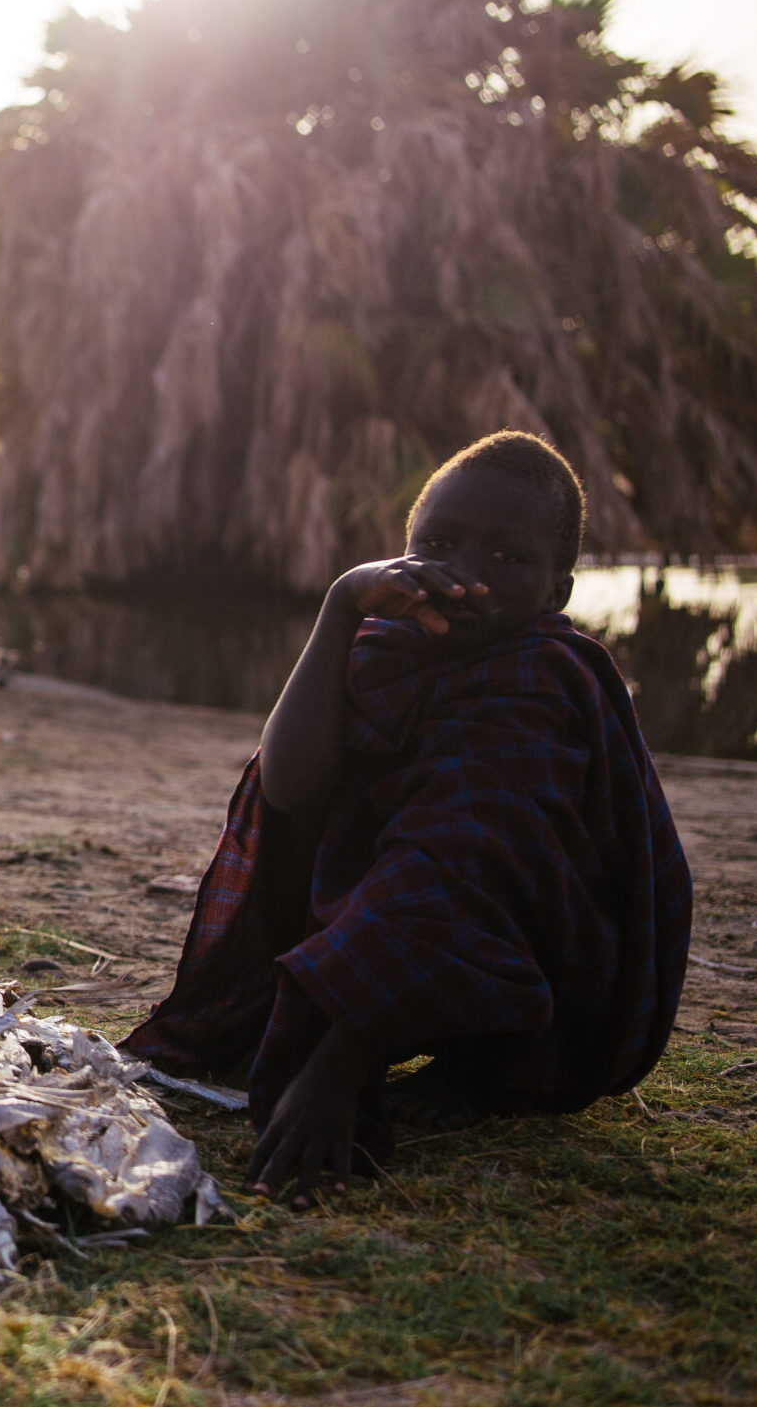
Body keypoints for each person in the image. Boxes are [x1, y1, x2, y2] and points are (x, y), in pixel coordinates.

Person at [120, 431, 691, 1206]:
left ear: (558, 589)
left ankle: (480, 1063)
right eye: (441, 543)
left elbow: (463, 870)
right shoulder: (386, 646)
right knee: (343, 821)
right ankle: (395, 1019)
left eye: (507, 557)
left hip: (558, 979)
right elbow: (287, 790)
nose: (466, 575)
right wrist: (341, 603)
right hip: (431, 923)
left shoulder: (544, 679)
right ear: (406, 550)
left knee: (461, 845)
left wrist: (334, 1070)